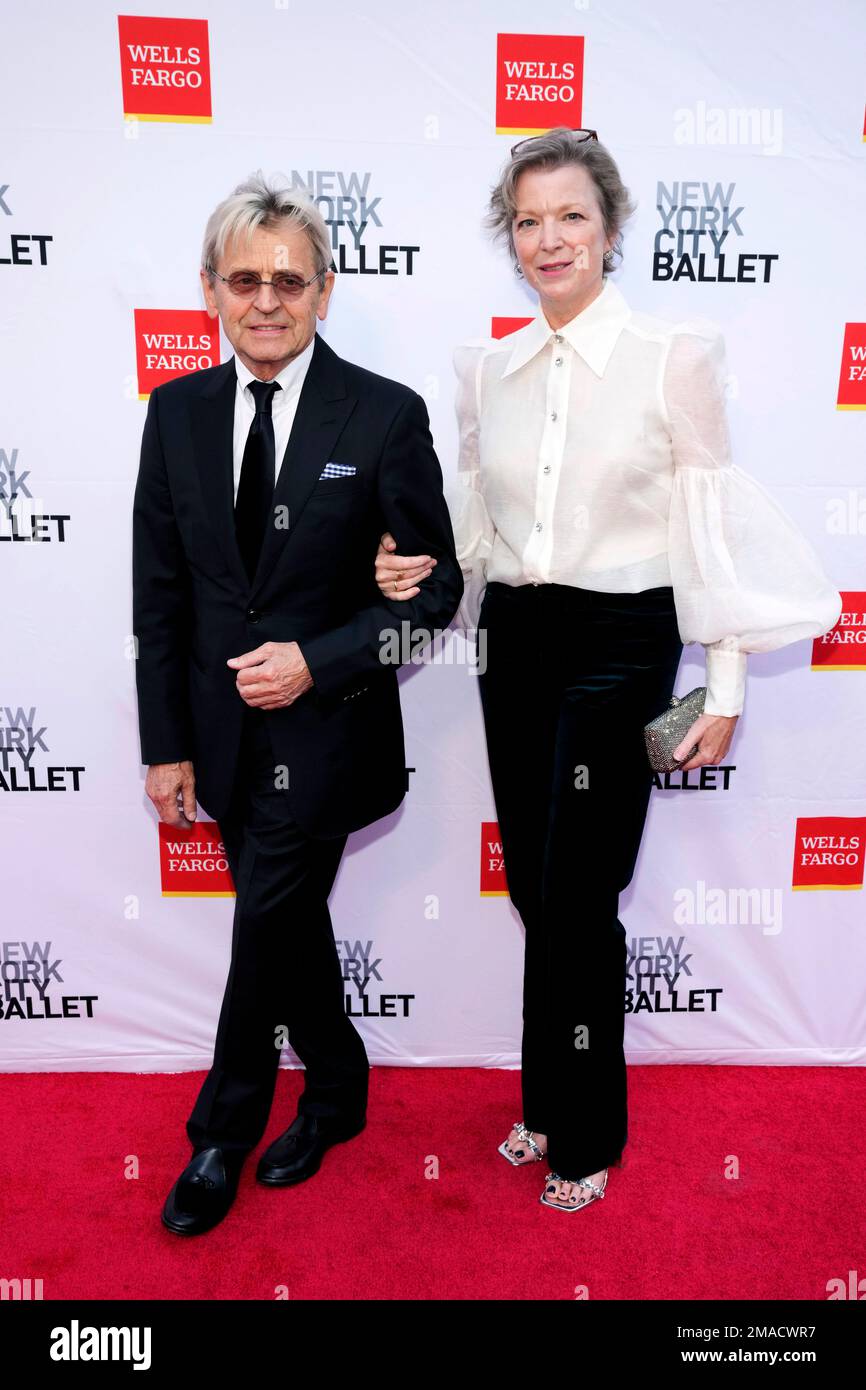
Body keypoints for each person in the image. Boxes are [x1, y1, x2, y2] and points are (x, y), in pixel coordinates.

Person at [374, 128, 842, 1213]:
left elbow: (705, 524)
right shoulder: (486, 371)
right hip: (514, 644)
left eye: (569, 216)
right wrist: (416, 562)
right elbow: (475, 527)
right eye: (527, 220)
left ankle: (584, 1132)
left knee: (581, 895)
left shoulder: (673, 354)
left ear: (610, 229)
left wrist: (722, 686)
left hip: (623, 641)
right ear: (509, 237)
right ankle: (542, 1101)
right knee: (541, 895)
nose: (548, 239)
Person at [132, 171, 462, 1236]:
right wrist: (166, 744)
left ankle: (220, 1130)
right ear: (210, 291)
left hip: (327, 732)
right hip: (219, 739)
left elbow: (438, 591)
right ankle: (338, 1080)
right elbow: (162, 595)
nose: (264, 300)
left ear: (324, 289)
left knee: (264, 919)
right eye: (243, 280)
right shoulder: (175, 413)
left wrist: (317, 660)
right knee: (288, 928)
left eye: (287, 280)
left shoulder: (382, 412)